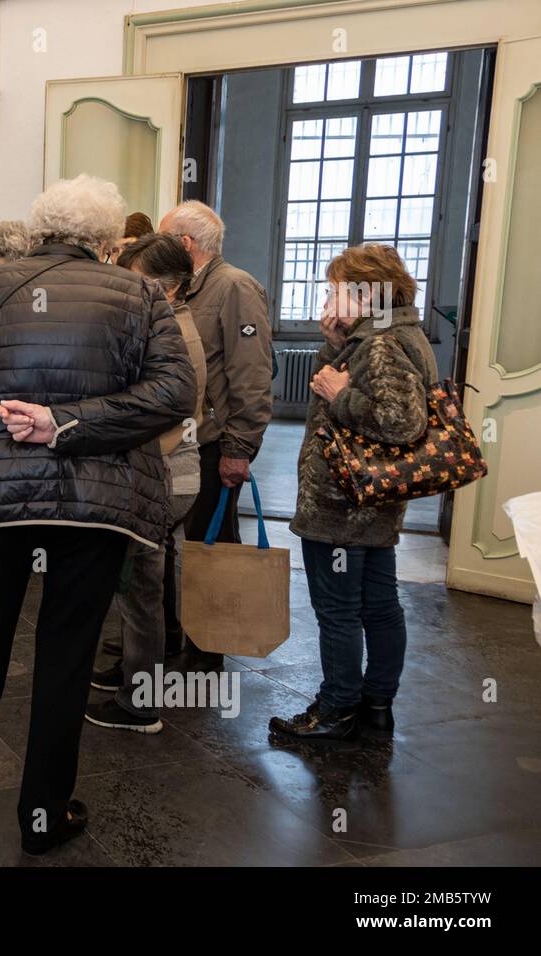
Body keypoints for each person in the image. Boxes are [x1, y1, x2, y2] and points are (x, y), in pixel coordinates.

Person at [0, 175, 195, 854]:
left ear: (39, 230)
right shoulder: (138, 295)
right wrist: (71, 423)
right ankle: (43, 814)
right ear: (108, 241)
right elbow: (174, 394)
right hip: (96, 503)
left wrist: (46, 418)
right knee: (67, 654)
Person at [270, 245, 436, 742]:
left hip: (343, 504)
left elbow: (399, 422)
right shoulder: (389, 333)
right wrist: (334, 347)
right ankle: (376, 708)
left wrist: (339, 395)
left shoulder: (381, 343)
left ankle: (337, 708)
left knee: (339, 611)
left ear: (365, 295)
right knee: (379, 606)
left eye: (334, 290)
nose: (327, 299)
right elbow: (343, 382)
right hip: (370, 503)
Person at [87, 234, 206, 732]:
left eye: (137, 282)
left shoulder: (175, 335)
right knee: (138, 586)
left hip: (163, 475)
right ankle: (131, 674)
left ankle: (140, 702)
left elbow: (167, 421)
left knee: (141, 590)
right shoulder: (168, 324)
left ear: (170, 287)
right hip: (165, 475)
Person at [158, 200, 273, 670]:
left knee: (211, 548)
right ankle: (170, 639)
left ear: (185, 243)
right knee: (175, 547)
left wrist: (239, 448)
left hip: (213, 444)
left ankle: (207, 653)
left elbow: (251, 375)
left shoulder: (234, 287)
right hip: (180, 442)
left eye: (165, 238)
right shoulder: (185, 288)